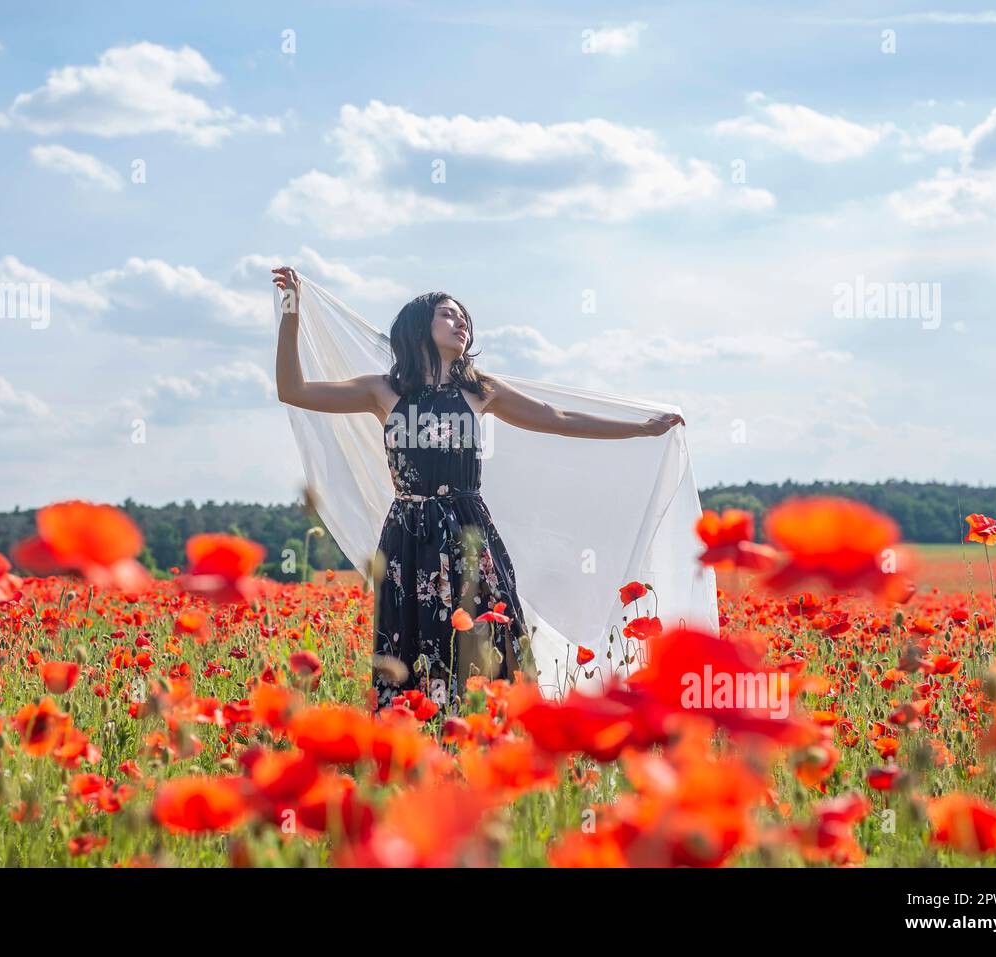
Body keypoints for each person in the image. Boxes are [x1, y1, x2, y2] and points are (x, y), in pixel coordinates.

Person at [272, 265, 686, 715]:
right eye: (447, 314)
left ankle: (495, 730)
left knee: (490, 635)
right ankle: (416, 735)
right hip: (409, 535)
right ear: (419, 327)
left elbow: (559, 417)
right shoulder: (384, 391)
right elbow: (293, 390)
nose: (461, 322)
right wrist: (292, 310)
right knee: (410, 640)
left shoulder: (480, 390)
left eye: (463, 316)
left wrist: (640, 429)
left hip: (468, 531)